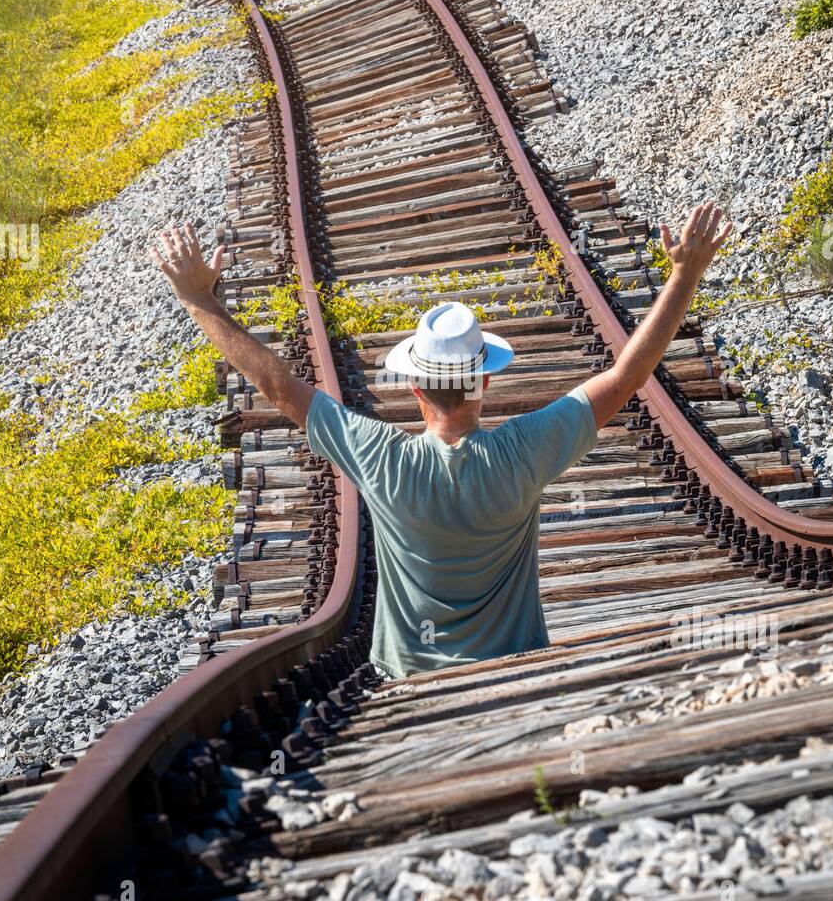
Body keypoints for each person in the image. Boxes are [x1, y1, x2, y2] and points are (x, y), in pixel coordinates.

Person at [151, 201, 731, 678]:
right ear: (483, 381)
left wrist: (198, 299)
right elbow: (626, 377)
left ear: (413, 387)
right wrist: (685, 274)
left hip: (407, 678)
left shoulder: (380, 456)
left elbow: (278, 386)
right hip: (516, 670)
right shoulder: (524, 450)